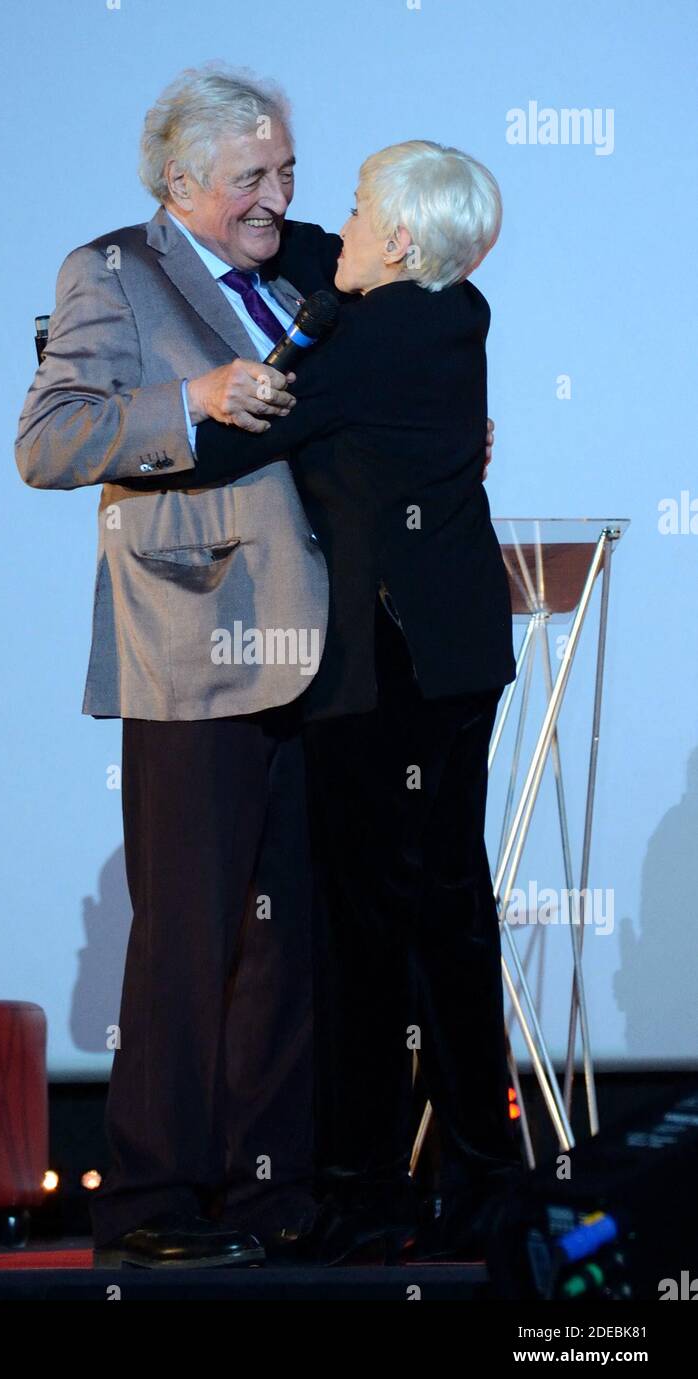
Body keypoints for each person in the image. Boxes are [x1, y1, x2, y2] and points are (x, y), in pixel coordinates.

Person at [15, 65, 343, 1269]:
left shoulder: (304, 263)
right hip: (191, 644)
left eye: (286, 171)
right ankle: (148, 1200)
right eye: (250, 177)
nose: (277, 196)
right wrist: (190, 398)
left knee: (286, 948)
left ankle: (270, 1199)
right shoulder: (110, 274)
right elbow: (50, 442)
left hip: (317, 648)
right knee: (186, 941)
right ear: (178, 182)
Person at [191, 139, 525, 1261]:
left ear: (393, 237)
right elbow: (331, 260)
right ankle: (454, 1178)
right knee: (427, 916)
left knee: (382, 926)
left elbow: (219, 445)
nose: (328, 218)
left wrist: (149, 399)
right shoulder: (447, 307)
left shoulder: (380, 332)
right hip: (432, 658)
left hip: (392, 669)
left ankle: (379, 1188)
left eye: (353, 205)